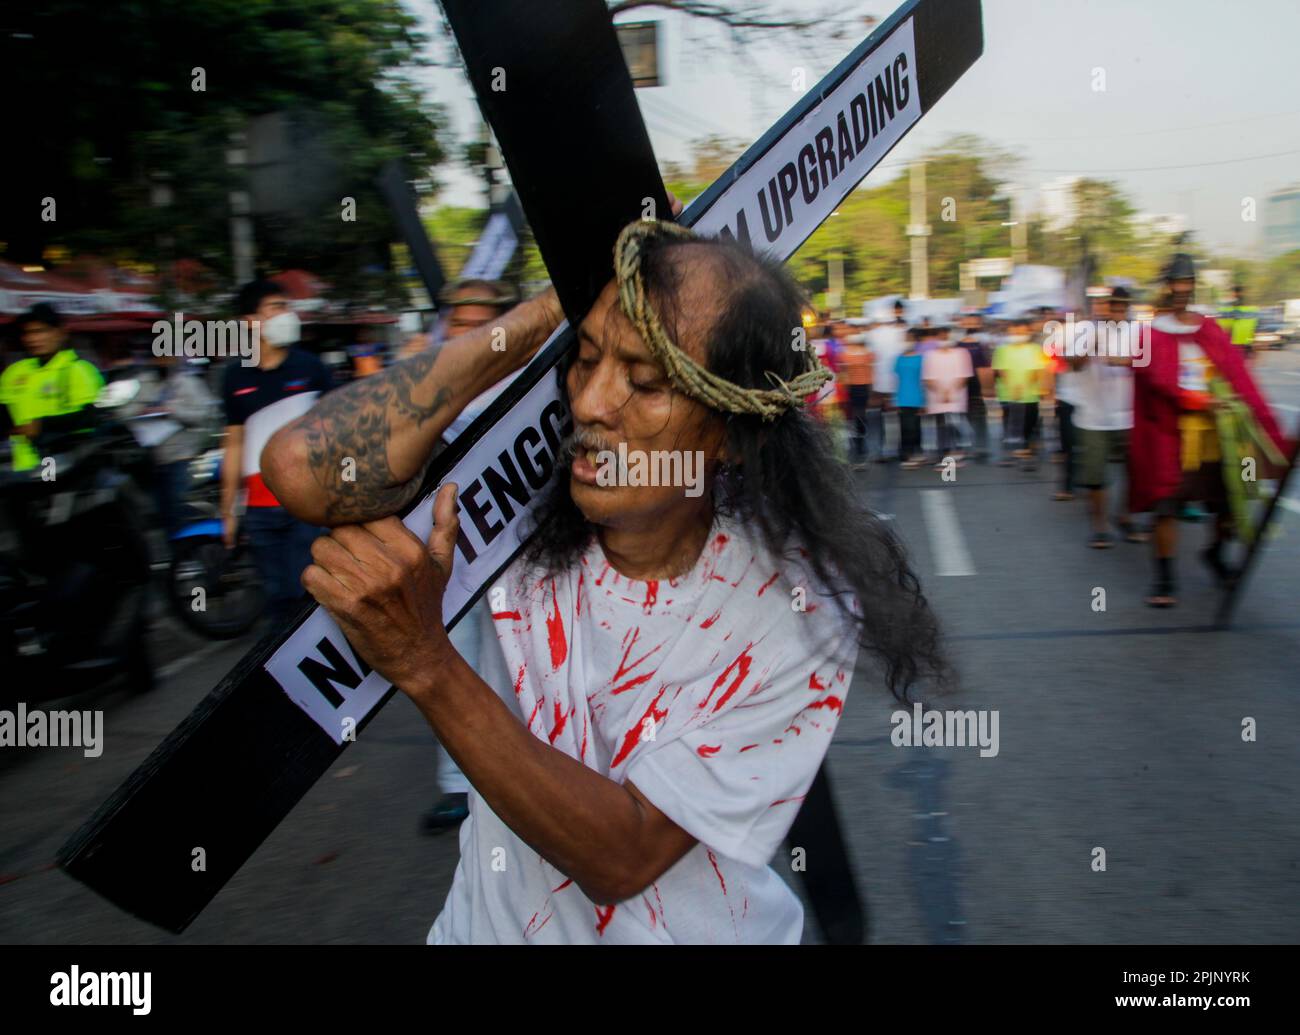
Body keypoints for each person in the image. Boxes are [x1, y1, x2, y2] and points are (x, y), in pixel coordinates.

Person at [261, 220, 945, 944]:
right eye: (585, 360)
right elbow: (300, 468)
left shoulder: (798, 612)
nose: (590, 403)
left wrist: (426, 662)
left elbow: (622, 856)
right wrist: (549, 311)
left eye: (645, 383)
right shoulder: (514, 509)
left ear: (732, 434)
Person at [418, 278, 523, 833]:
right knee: (453, 662)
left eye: (482, 320)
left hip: (519, 547)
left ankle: (532, 777)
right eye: (459, 321)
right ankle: (460, 787)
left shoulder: (529, 378)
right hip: (452, 549)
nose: (471, 331)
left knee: (518, 663)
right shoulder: (429, 377)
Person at [1126, 254, 1288, 607]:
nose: (1182, 290)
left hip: (1217, 433)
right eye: (1176, 284)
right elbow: (1154, 379)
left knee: (1228, 501)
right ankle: (1164, 578)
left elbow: (1240, 378)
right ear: (1165, 287)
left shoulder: (1210, 328)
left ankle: (1215, 554)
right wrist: (1197, 401)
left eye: (1188, 284)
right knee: (1166, 505)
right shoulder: (1146, 334)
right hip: (1169, 434)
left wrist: (1272, 434)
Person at [220, 279, 333, 628]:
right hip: (259, 509)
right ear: (250, 320)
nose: (287, 314)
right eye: (276, 307)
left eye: (286, 306)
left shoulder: (310, 368)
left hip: (307, 501)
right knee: (277, 596)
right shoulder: (234, 377)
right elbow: (234, 443)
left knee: (311, 591)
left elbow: (337, 429)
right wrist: (228, 509)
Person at [1071, 288, 1142, 548]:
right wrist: (1089, 349)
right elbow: (1072, 363)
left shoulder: (1138, 332)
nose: (1117, 312)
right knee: (1096, 475)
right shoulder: (1086, 330)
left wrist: (1123, 361)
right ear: (1104, 307)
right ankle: (1100, 527)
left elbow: (1147, 363)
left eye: (1122, 307)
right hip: (1093, 417)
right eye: (1112, 306)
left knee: (1134, 472)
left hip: (1129, 416)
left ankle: (1125, 516)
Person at [1, 303, 104, 472]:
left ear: (61, 332)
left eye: (40, 331)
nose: (33, 339)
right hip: (22, 469)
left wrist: (43, 426)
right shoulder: (14, 372)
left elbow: (92, 417)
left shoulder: (79, 370)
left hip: (67, 467)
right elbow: (4, 415)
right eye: (28, 333)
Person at [992, 315, 1046, 469]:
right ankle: (1010, 454)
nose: (1017, 335)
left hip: (1030, 395)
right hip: (1007, 395)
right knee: (1009, 424)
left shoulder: (1035, 349)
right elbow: (1001, 370)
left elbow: (1037, 370)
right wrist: (1011, 387)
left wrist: (1024, 387)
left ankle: (1028, 453)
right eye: (1014, 332)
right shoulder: (1001, 350)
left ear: (1028, 332)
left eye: (1021, 331)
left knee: (1030, 424)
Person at [921, 324, 972, 467]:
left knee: (955, 424)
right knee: (941, 425)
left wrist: (951, 392)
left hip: (956, 397)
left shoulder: (961, 353)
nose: (944, 338)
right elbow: (927, 377)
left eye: (946, 335)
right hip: (937, 398)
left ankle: (957, 452)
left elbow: (964, 376)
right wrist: (940, 392)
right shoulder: (930, 355)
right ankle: (943, 454)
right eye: (941, 336)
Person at [867, 298, 909, 461]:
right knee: (894, 416)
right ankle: (895, 448)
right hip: (896, 380)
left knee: (882, 417)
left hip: (881, 381)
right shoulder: (902, 330)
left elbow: (872, 358)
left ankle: (884, 449)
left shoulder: (874, 333)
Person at [835, 320, 873, 469]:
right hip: (853, 389)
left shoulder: (863, 355)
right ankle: (857, 449)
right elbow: (843, 374)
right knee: (855, 418)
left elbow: (870, 375)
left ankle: (860, 450)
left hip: (858, 389)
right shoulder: (846, 355)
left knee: (858, 418)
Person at [954, 312, 991, 462]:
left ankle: (981, 448)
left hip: (976, 383)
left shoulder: (981, 344)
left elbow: (985, 366)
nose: (970, 324)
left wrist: (986, 387)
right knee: (961, 416)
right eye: (967, 321)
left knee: (979, 416)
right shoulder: (957, 345)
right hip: (960, 384)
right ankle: (962, 446)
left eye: (973, 322)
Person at [895, 327, 927, 469]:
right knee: (905, 427)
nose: (907, 341)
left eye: (910, 339)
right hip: (902, 398)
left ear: (916, 341)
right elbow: (896, 379)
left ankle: (917, 452)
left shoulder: (922, 358)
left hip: (917, 397)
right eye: (906, 338)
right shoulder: (899, 358)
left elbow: (924, 380)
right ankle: (906, 453)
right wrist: (892, 398)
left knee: (915, 427)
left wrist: (925, 400)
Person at [1217, 284, 1259, 363]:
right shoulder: (1251, 310)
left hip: (1233, 345)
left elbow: (1224, 328)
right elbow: (1253, 329)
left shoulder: (1227, 310)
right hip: (1244, 344)